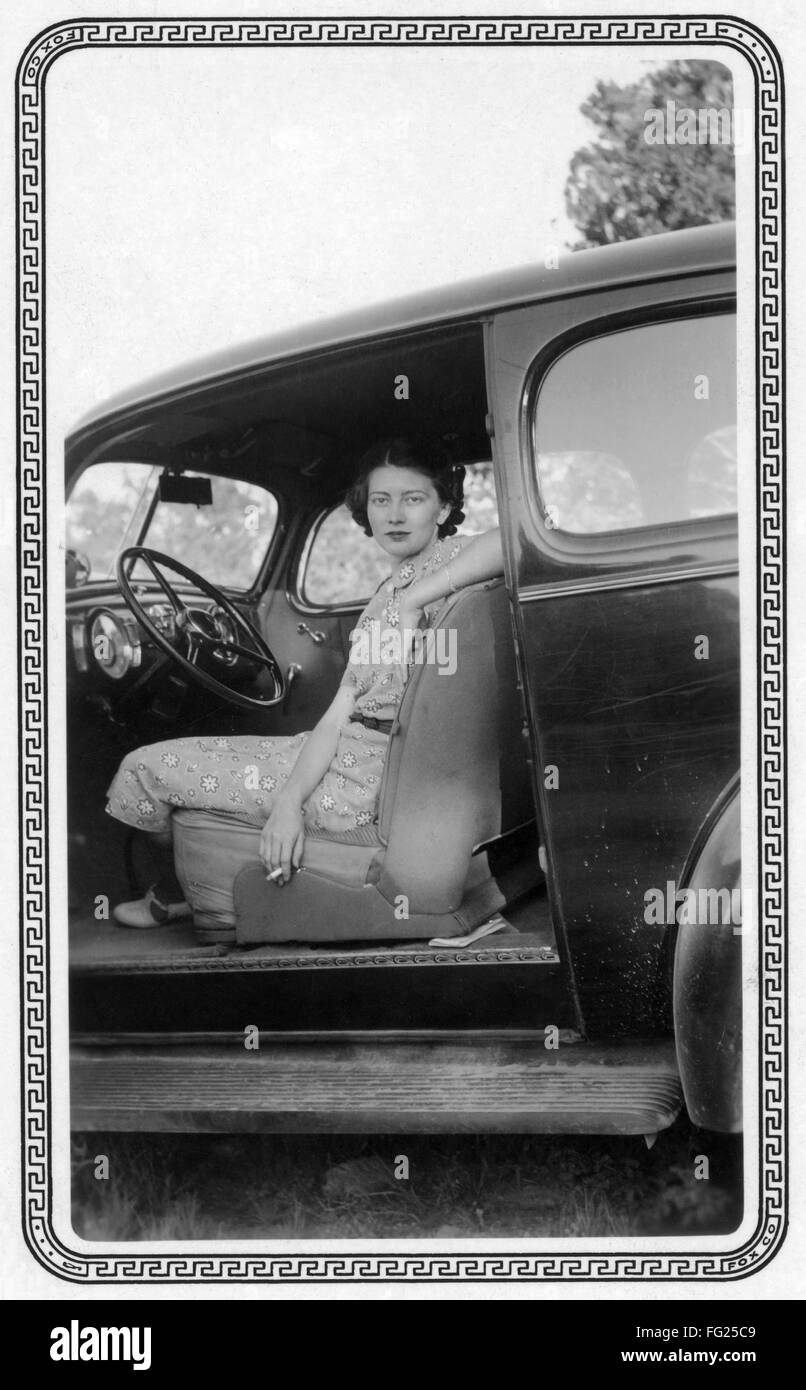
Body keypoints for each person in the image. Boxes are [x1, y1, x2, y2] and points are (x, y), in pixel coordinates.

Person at [107, 435, 504, 926]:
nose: (395, 515)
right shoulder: (385, 593)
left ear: (443, 508)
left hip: (369, 780)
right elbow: (340, 713)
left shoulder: (446, 566)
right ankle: (194, 888)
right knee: (161, 761)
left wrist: (415, 600)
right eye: (381, 501)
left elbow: (510, 542)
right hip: (342, 755)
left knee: (145, 767)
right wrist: (289, 802)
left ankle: (174, 894)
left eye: (413, 499)